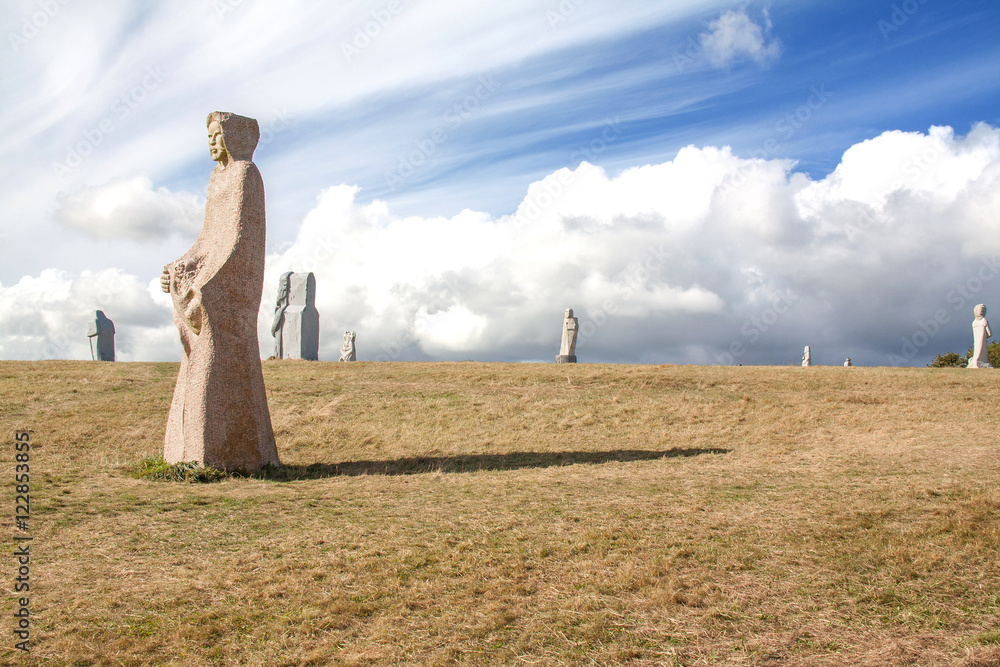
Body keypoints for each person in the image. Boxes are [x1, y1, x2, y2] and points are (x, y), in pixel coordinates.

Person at [160, 112, 279, 470]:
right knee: (196, 366)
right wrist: (178, 267)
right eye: (209, 136)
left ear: (235, 136)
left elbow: (239, 240)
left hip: (228, 291)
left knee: (214, 363)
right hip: (211, 282)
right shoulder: (217, 179)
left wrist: (206, 283)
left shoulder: (246, 175)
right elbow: (207, 238)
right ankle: (190, 452)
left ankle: (226, 453)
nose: (212, 142)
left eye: (217, 134)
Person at [969, 304, 992, 368]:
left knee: (977, 350)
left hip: (976, 342)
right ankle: (978, 361)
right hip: (983, 342)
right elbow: (990, 333)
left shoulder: (974, 322)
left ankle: (975, 360)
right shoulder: (984, 321)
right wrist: (984, 337)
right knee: (982, 352)